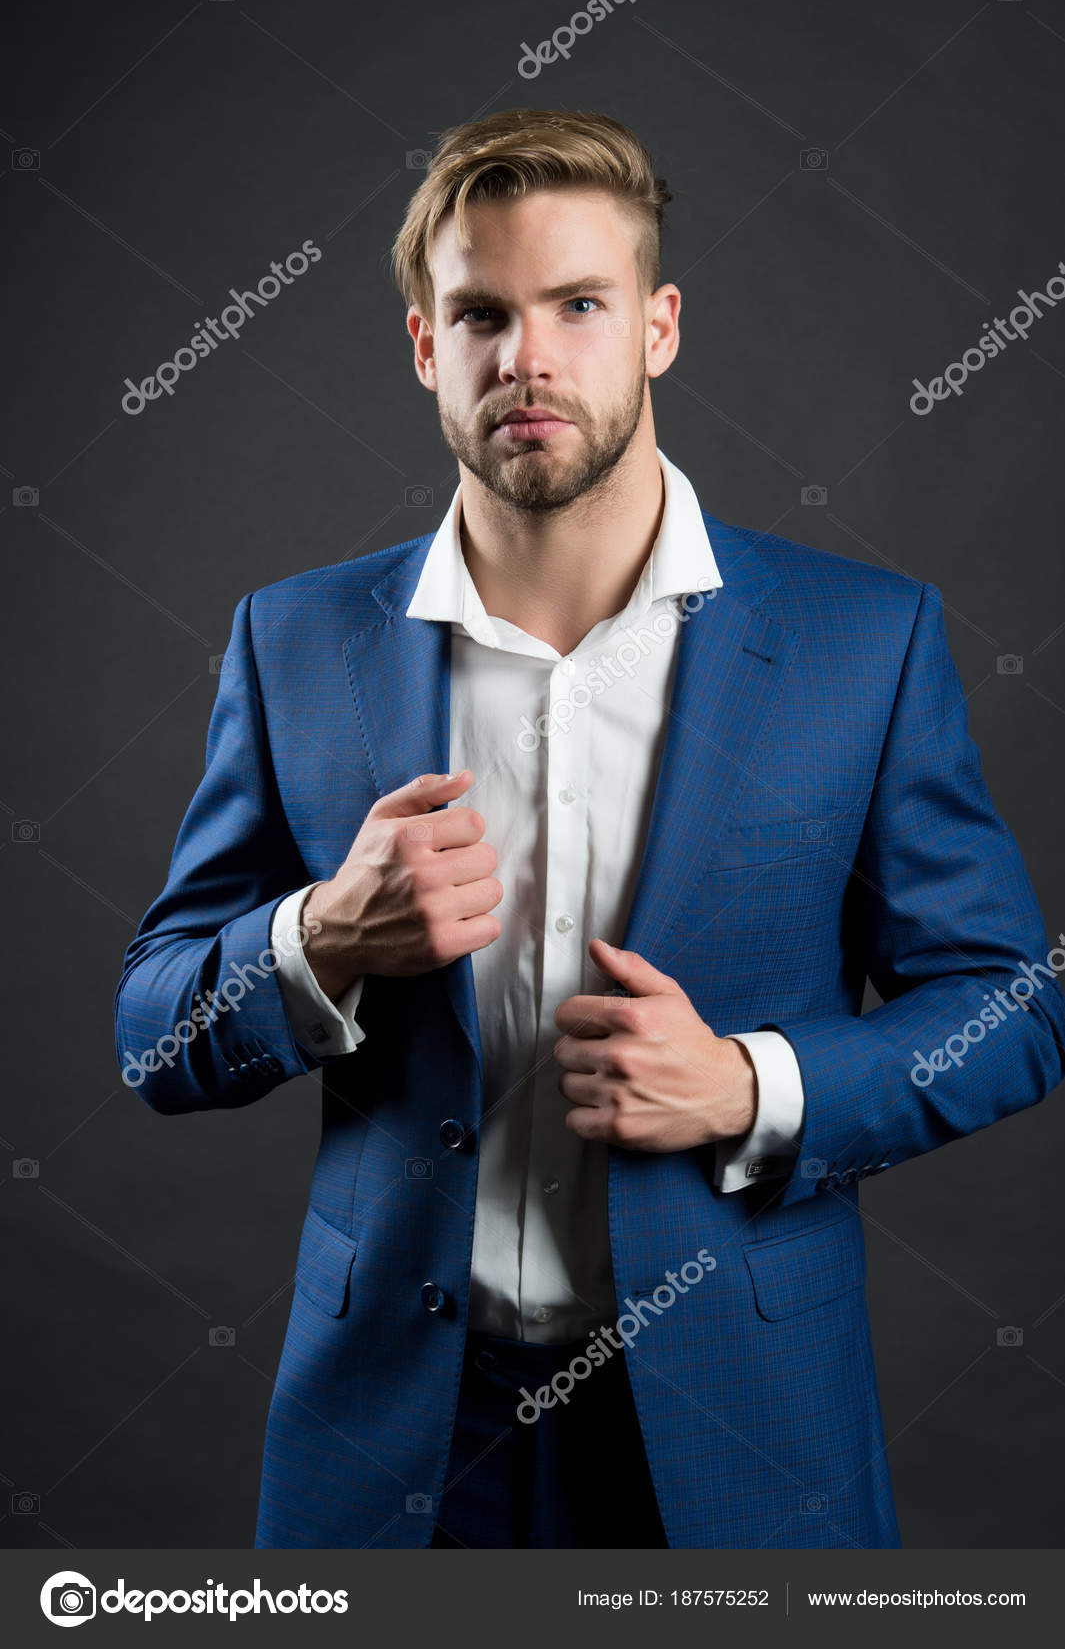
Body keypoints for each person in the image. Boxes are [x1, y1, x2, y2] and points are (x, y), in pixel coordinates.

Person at [114, 107, 1065, 1550]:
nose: (528, 357)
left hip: (738, 1428)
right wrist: (318, 941)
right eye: (481, 313)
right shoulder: (295, 641)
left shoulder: (858, 643)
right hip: (396, 1439)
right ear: (428, 348)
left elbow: (1009, 1008)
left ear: (657, 327)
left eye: (577, 304)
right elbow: (153, 1034)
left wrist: (750, 1087)